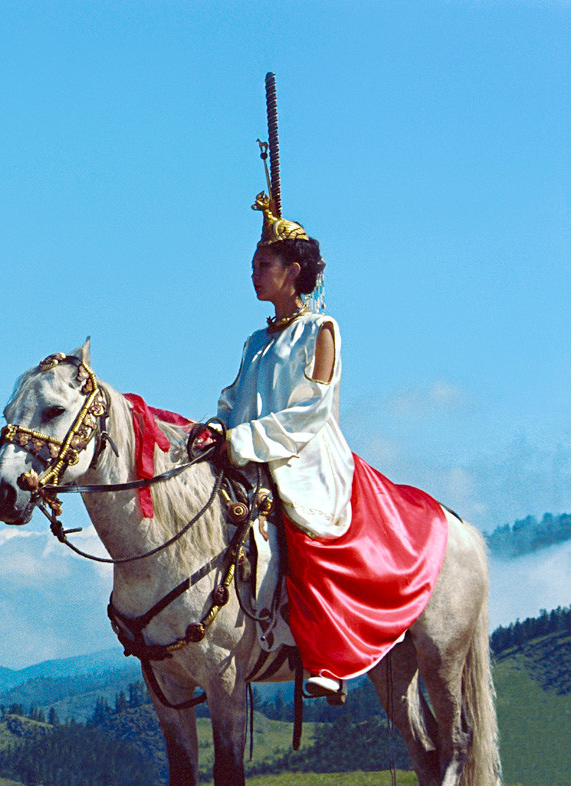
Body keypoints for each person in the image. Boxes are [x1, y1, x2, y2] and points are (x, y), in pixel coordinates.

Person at [214, 188, 450, 702]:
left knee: (304, 524)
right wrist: (218, 429)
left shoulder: (321, 330)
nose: (253, 273)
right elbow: (234, 397)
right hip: (246, 452)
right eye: (253, 264)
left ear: (292, 271)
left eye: (263, 263)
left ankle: (325, 654)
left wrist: (244, 439)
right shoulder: (255, 341)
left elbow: (310, 410)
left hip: (302, 454)